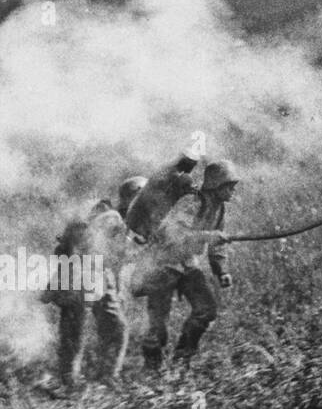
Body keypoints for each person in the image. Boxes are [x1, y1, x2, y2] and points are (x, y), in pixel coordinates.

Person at [40, 176, 145, 387]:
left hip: (98, 275)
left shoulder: (123, 221)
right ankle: (69, 381)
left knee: (116, 327)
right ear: (132, 198)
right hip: (78, 272)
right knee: (74, 330)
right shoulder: (109, 215)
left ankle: (108, 375)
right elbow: (88, 246)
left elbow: (114, 258)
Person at [134, 160, 238, 369]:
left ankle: (182, 358)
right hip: (162, 264)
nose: (233, 191)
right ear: (217, 185)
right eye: (229, 186)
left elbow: (217, 244)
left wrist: (222, 270)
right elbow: (173, 234)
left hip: (188, 264)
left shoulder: (219, 208)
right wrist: (208, 236)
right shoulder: (193, 201)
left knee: (206, 309)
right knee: (158, 323)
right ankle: (152, 368)